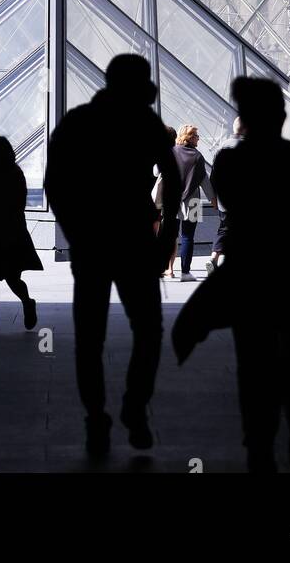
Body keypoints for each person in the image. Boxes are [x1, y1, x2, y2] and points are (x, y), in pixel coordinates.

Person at [45, 54, 180, 457]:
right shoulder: (146, 123)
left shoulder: (77, 121)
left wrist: (76, 234)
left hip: (92, 242)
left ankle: (95, 418)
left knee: (89, 337)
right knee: (149, 330)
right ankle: (134, 408)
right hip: (136, 238)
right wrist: (165, 237)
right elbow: (170, 180)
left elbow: (56, 184)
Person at [205, 77, 290, 473]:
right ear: (278, 114)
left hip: (249, 275)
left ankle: (259, 441)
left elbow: (231, 204)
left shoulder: (229, 162)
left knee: (254, 363)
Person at [0, 136, 43, 335]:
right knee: (11, 278)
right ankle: (26, 302)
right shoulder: (15, 173)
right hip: (12, 231)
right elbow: (19, 203)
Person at [174, 125, 217, 282]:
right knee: (187, 237)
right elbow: (205, 182)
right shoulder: (197, 156)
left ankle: (165, 269)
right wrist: (214, 202)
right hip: (192, 201)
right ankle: (185, 272)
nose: (198, 138)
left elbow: (156, 171)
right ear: (190, 137)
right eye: (197, 136)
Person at [206, 115, 245, 274]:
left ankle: (214, 258)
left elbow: (214, 175)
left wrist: (214, 197)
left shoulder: (222, 147)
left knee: (224, 228)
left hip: (224, 200)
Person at [152, 125, 179, 278]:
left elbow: (155, 171)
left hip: (159, 198)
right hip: (181, 199)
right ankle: (171, 268)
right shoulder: (182, 153)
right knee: (175, 233)